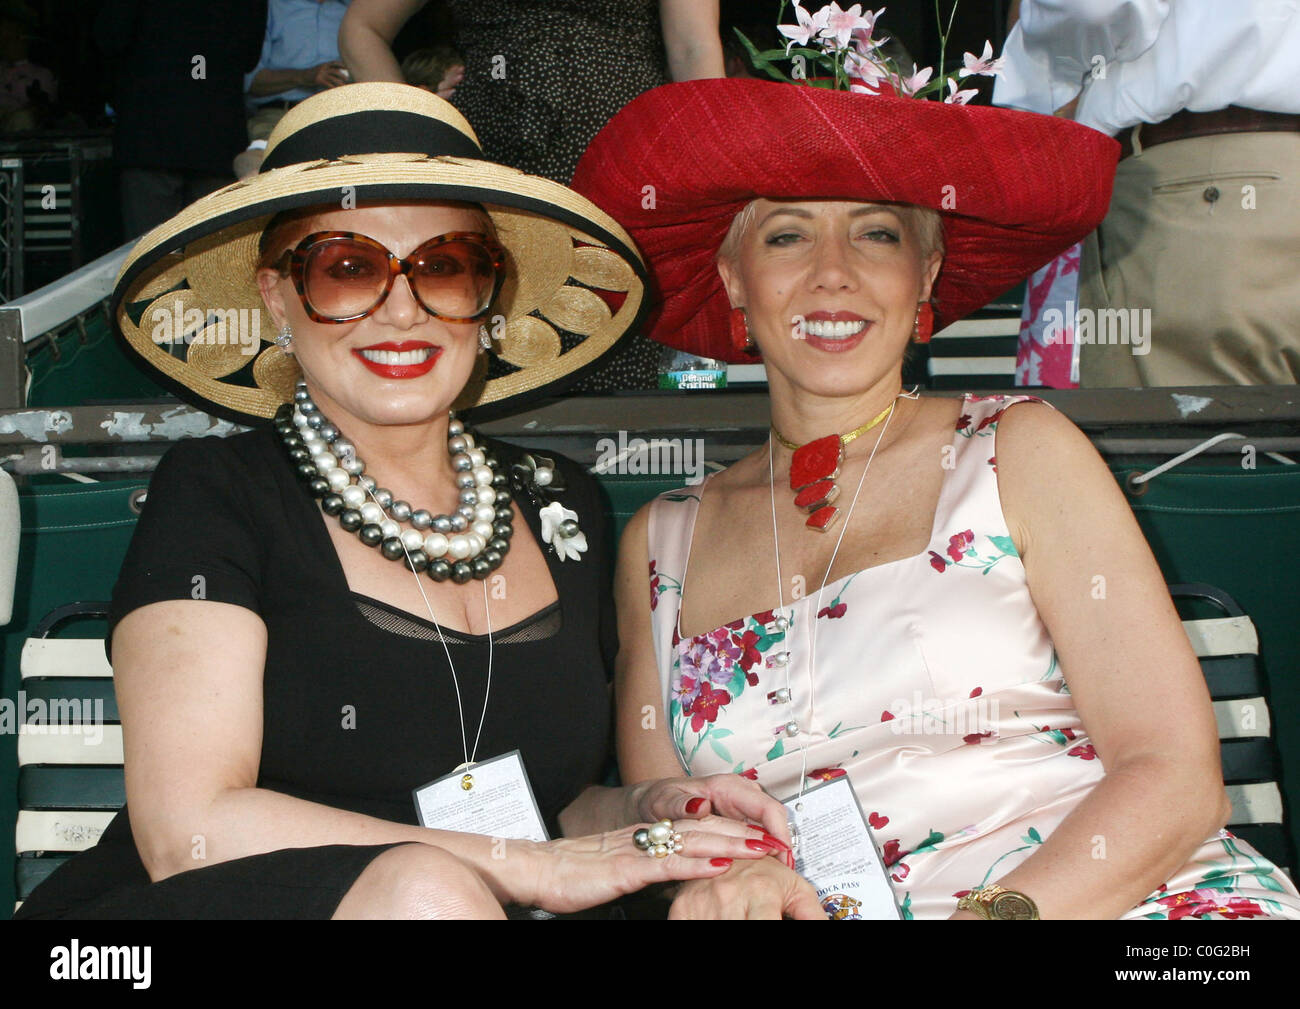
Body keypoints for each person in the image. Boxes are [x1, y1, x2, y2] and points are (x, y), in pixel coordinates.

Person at [12, 83, 794, 921]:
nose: (401, 309)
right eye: (347, 268)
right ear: (277, 297)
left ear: (488, 294)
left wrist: (650, 821)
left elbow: (552, 817)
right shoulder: (218, 494)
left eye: (444, 265)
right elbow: (188, 828)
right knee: (429, 893)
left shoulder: (557, 505)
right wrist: (517, 867)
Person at [572, 77, 1300, 919]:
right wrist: (733, 878)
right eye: (786, 236)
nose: (833, 274)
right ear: (734, 279)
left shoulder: (1019, 449)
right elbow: (670, 826)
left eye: (876, 234)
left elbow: (1172, 777)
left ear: (928, 276)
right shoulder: (662, 542)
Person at [340, 0, 727, 394]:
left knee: (624, 327)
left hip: (626, 144)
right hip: (492, 152)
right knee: (498, 340)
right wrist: (413, 131)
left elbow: (693, 48)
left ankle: (633, 451)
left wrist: (714, 171)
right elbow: (362, 28)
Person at [995, 0, 1300, 387]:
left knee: (1193, 439)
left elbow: (1090, 8)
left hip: (1207, 195)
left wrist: (1052, 92)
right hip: (1230, 189)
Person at [94, 0, 265, 237]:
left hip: (151, 133)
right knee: (211, 257)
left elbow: (110, 39)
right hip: (215, 133)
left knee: (150, 259)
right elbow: (250, 55)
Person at [234, 0, 353, 179]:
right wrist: (306, 76)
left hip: (337, 115)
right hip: (278, 116)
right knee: (253, 166)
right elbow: (251, 83)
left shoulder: (355, 11)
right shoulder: (272, 7)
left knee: (346, 172)